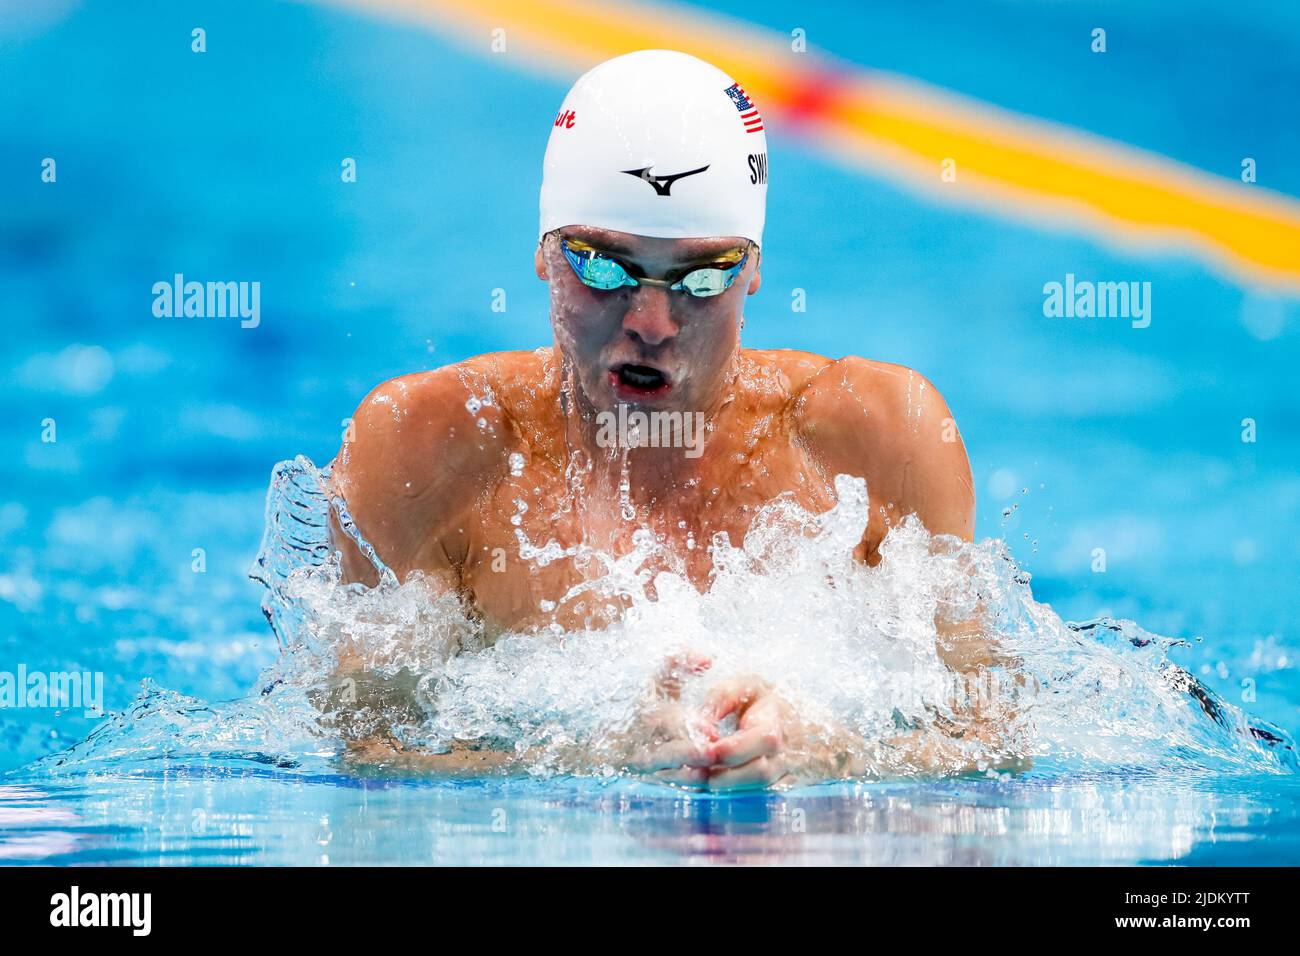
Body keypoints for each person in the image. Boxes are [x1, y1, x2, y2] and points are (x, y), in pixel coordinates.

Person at [330, 50, 995, 789]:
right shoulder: (428, 445)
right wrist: (593, 754)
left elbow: (994, 737)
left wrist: (831, 753)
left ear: (754, 270)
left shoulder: (878, 437)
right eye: (604, 267)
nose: (650, 321)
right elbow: (363, 759)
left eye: (702, 277)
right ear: (545, 255)